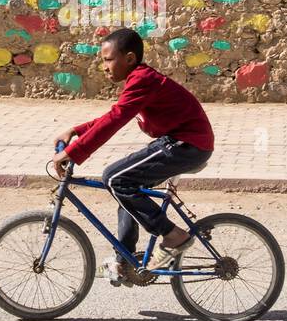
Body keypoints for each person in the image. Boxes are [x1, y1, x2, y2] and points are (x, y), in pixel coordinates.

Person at [51, 28, 214, 284]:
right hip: (179, 142)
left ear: (128, 59)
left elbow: (115, 120)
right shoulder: (138, 81)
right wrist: (75, 130)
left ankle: (173, 235)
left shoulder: (143, 79)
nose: (103, 67)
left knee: (114, 178)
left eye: (107, 59)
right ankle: (125, 259)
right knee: (125, 187)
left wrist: (74, 151)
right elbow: (115, 114)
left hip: (187, 144)